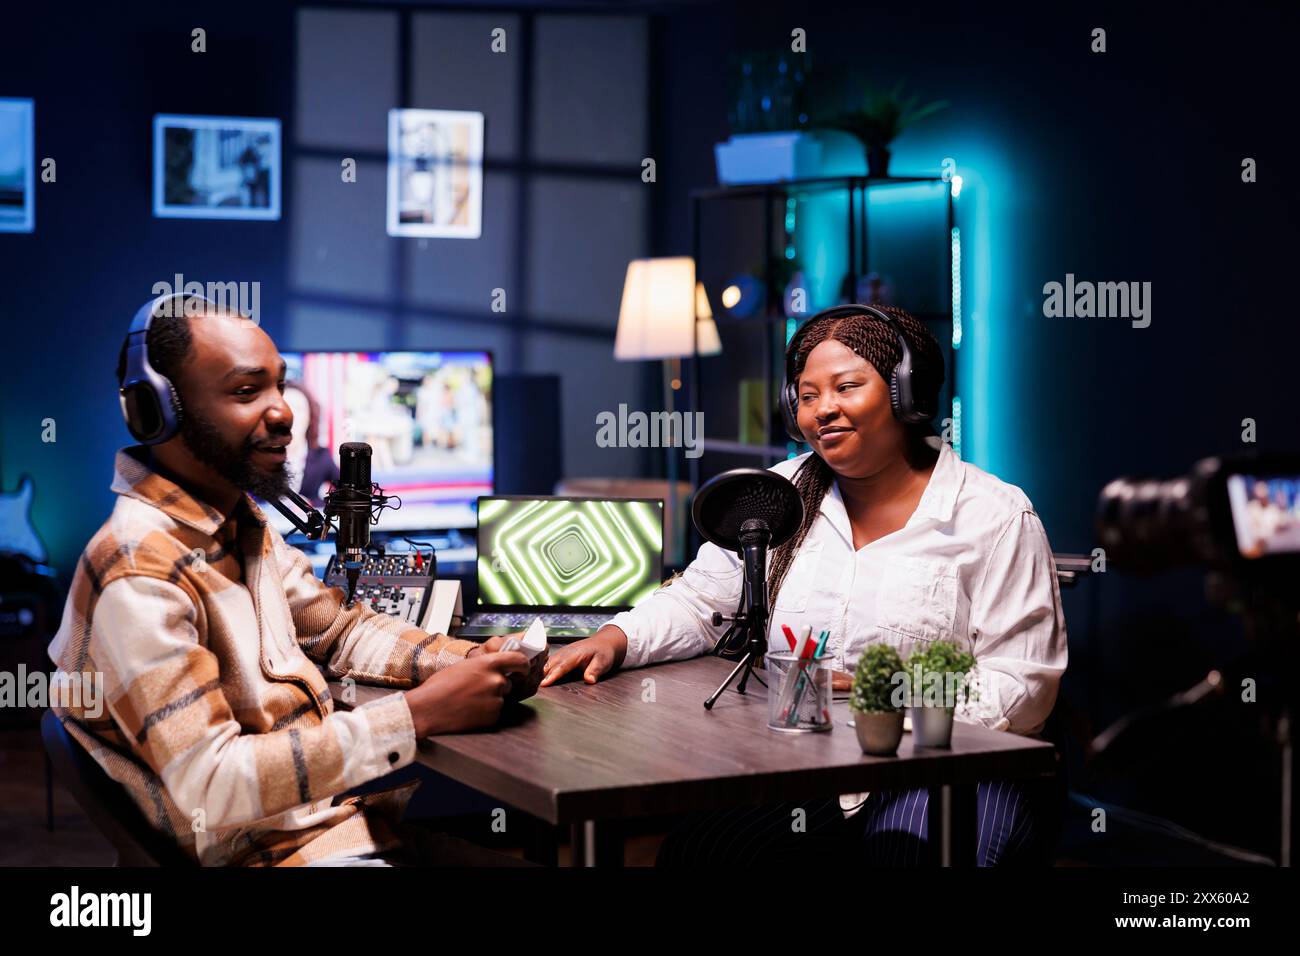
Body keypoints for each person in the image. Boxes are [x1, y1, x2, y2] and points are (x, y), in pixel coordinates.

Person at [542, 303, 1068, 866]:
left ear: (906, 393)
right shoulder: (776, 495)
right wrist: (615, 639)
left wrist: (882, 695)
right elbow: (700, 604)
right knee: (698, 851)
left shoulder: (994, 516)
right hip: (811, 767)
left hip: (948, 766)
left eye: (846, 387)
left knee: (907, 857)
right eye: (808, 395)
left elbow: (1022, 687)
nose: (824, 409)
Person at [47, 293, 543, 866]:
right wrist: (418, 716)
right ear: (155, 410)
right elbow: (211, 785)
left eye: (279, 386)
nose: (283, 411)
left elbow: (337, 631)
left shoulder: (237, 524)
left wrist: (471, 660)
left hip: (332, 829)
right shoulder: (138, 569)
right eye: (245, 390)